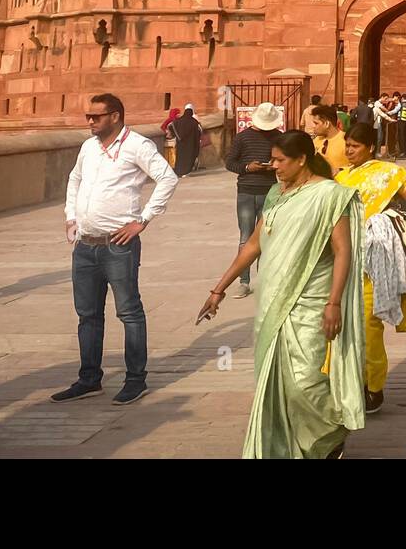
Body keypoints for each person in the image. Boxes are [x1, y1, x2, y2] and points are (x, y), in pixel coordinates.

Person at [197, 130, 364, 459]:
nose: (273, 166)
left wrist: (334, 302)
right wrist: (219, 288)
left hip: (313, 300)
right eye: (272, 159)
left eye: (280, 160)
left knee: (306, 381)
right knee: (276, 382)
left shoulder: (330, 195)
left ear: (302, 159)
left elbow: (343, 251)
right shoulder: (276, 194)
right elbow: (254, 244)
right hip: (273, 299)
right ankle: (287, 447)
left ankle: (329, 435)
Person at [54, 93, 178, 406]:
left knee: (129, 312)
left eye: (96, 116)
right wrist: (71, 217)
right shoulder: (88, 147)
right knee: (88, 315)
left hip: (118, 244)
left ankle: (136, 379)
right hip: (86, 245)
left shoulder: (137, 145)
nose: (90, 121)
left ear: (115, 116)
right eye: (88, 117)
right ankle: (89, 378)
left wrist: (144, 220)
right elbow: (75, 180)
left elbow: (167, 178)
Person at [334, 122, 406, 414]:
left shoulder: (389, 174)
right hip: (345, 260)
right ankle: (351, 381)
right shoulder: (341, 177)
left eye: (355, 146)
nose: (349, 151)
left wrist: (385, 220)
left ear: (370, 147)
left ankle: (374, 387)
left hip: (375, 261)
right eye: (347, 145)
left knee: (368, 327)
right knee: (346, 327)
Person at [224, 102, 282, 299]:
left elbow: (284, 159)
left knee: (268, 237)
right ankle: (244, 281)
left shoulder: (278, 137)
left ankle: (265, 280)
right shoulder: (242, 137)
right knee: (246, 237)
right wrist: (248, 168)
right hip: (247, 191)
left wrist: (274, 165)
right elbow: (230, 162)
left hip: (270, 191)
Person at [310, 104, 349, 177]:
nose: (313, 126)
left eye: (316, 123)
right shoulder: (315, 141)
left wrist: (340, 170)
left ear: (327, 124)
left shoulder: (346, 140)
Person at [170, 104, 202, 177]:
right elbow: (199, 131)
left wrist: (176, 136)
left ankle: (179, 171)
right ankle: (186, 171)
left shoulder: (178, 121)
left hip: (180, 144)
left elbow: (171, 126)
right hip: (190, 144)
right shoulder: (194, 122)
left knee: (180, 157)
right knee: (189, 157)